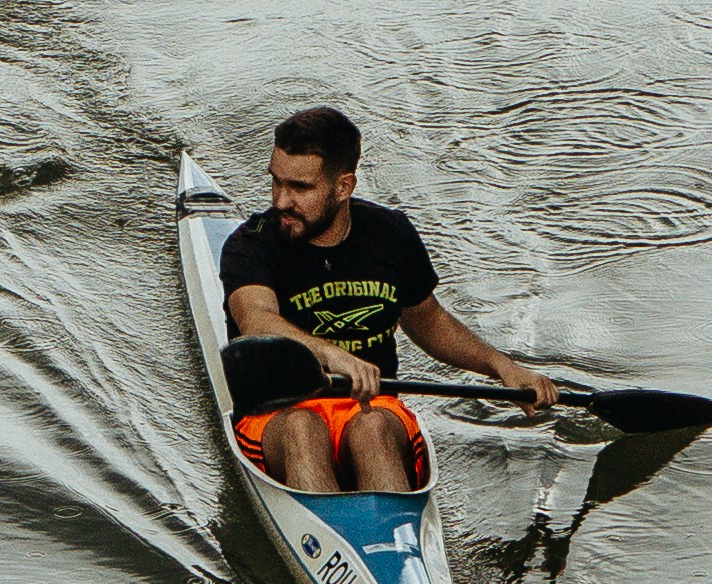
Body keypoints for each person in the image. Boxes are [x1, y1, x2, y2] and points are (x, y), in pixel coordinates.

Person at [218, 105, 568, 493]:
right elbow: (256, 320)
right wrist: (334, 355)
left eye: (300, 188)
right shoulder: (250, 246)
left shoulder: (391, 235)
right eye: (276, 182)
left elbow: (429, 321)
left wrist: (502, 367)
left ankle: (391, 537)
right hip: (278, 411)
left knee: (374, 429)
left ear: (343, 186)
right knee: (304, 428)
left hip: (371, 407)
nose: (281, 201)